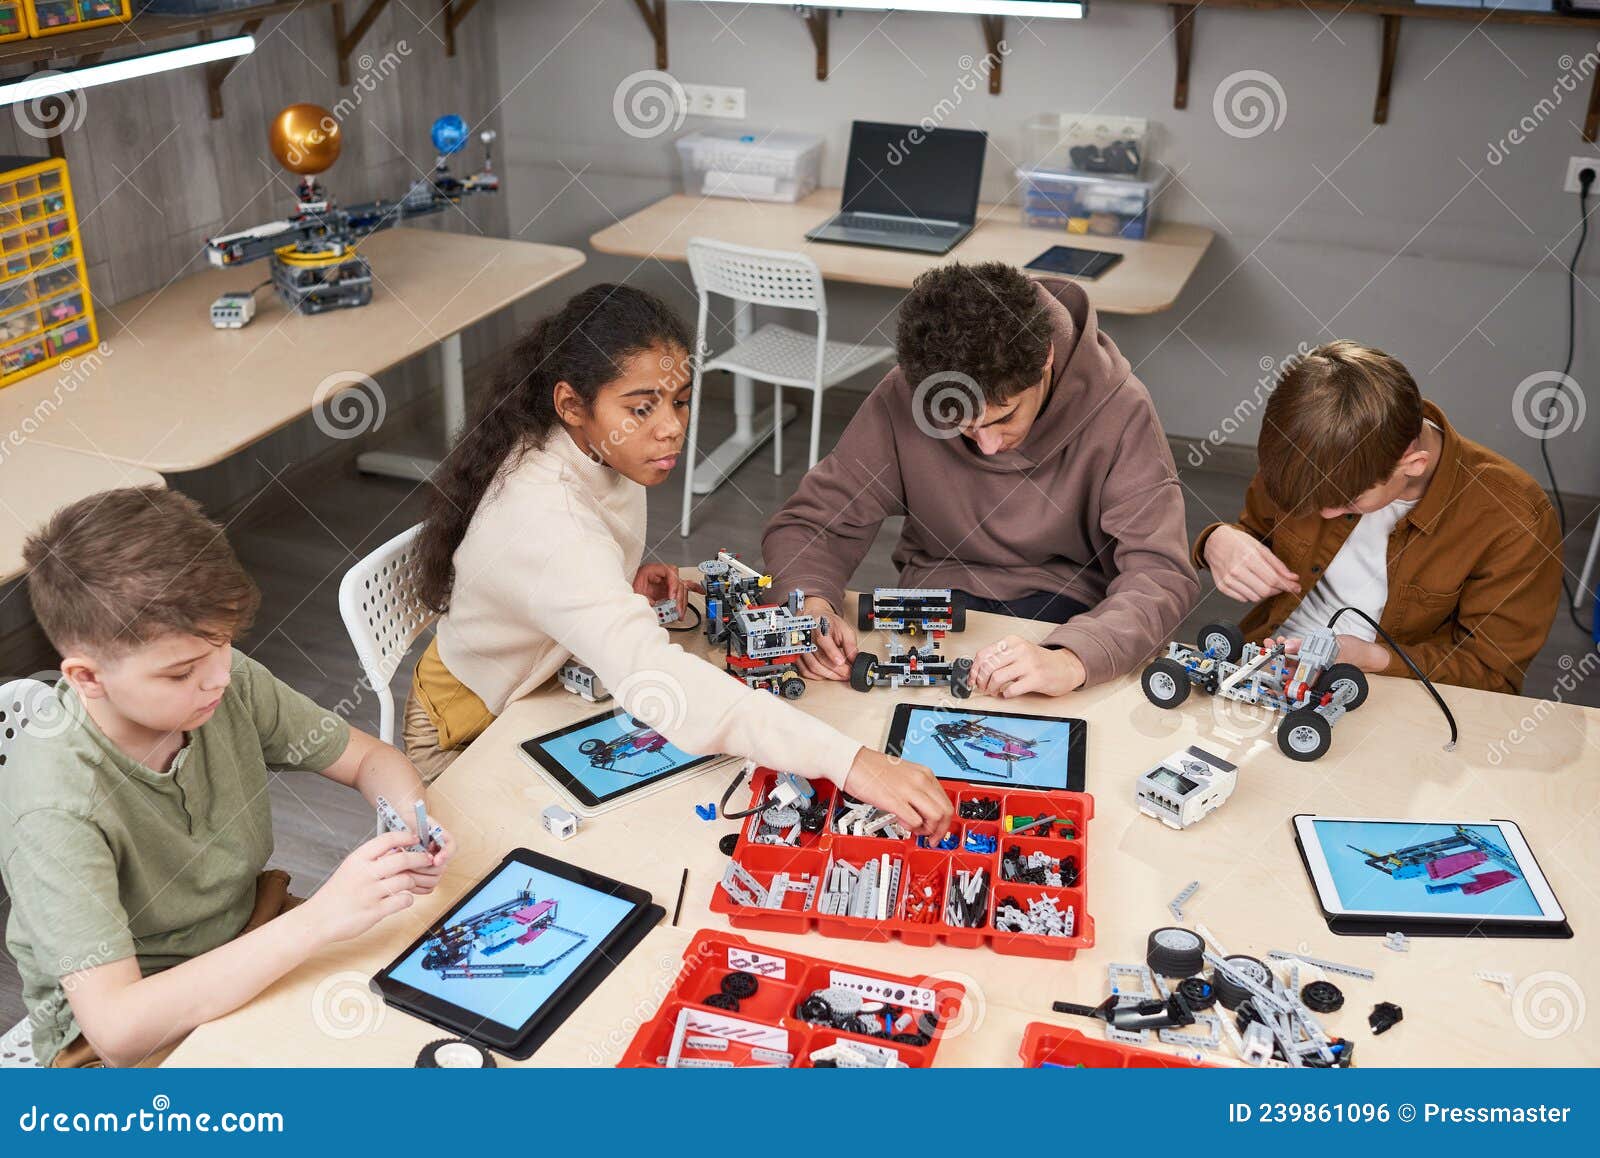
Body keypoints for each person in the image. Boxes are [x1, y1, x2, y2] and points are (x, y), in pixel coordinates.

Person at [406, 283, 951, 834]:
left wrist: (614, 581)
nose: (671, 427)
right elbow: (659, 681)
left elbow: (569, 563)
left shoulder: (600, 446)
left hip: (541, 687)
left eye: (681, 400)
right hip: (468, 728)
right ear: (571, 405)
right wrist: (854, 763)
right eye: (642, 408)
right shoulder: (546, 517)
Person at [2, 487, 453, 1067]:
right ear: (87, 678)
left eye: (223, 644)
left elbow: (371, 761)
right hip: (132, 1030)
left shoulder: (224, 679)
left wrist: (415, 825)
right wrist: (321, 918)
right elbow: (118, 1029)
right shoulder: (54, 807)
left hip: (248, 936)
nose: (217, 677)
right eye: (181, 672)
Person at [761, 261, 1198, 698]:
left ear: (1046, 356)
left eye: (1004, 417)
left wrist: (1072, 658)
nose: (986, 446)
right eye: (961, 425)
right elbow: (813, 524)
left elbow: (1160, 576)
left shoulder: (1122, 410)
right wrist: (810, 602)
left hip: (1068, 618)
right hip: (934, 603)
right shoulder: (907, 392)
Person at [1194, 340, 1563, 694]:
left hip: (1389, 693)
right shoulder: (1307, 447)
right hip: (1268, 663)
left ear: (1413, 464)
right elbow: (1256, 533)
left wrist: (1374, 659)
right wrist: (1216, 541)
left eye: (1346, 502)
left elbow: (1491, 674)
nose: (1324, 513)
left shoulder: (1515, 519)